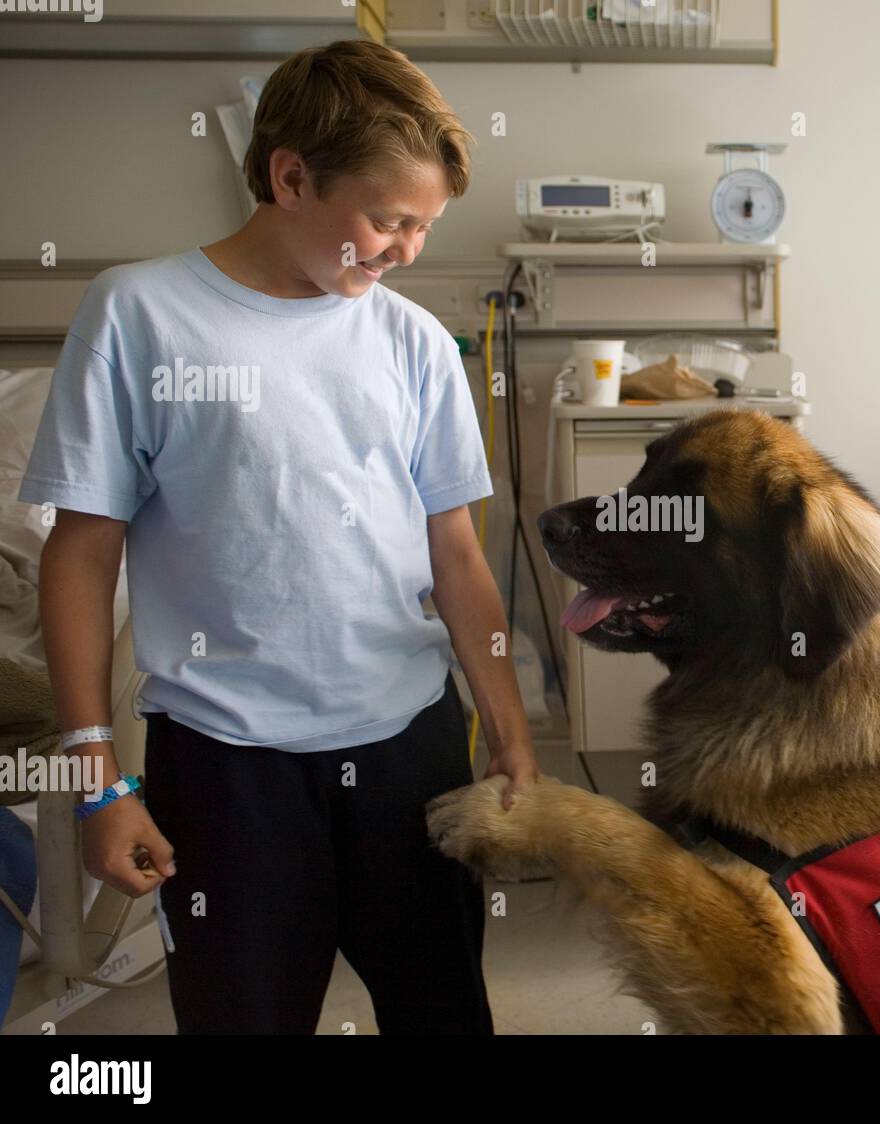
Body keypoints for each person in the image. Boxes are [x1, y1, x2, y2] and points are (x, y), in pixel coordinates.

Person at [18, 39, 538, 1033]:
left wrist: (509, 733)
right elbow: (82, 551)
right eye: (387, 220)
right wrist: (96, 781)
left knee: (444, 1011)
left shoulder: (414, 343)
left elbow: (457, 555)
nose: (405, 251)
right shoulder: (140, 315)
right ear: (290, 175)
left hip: (407, 750)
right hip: (225, 765)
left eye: (425, 227)